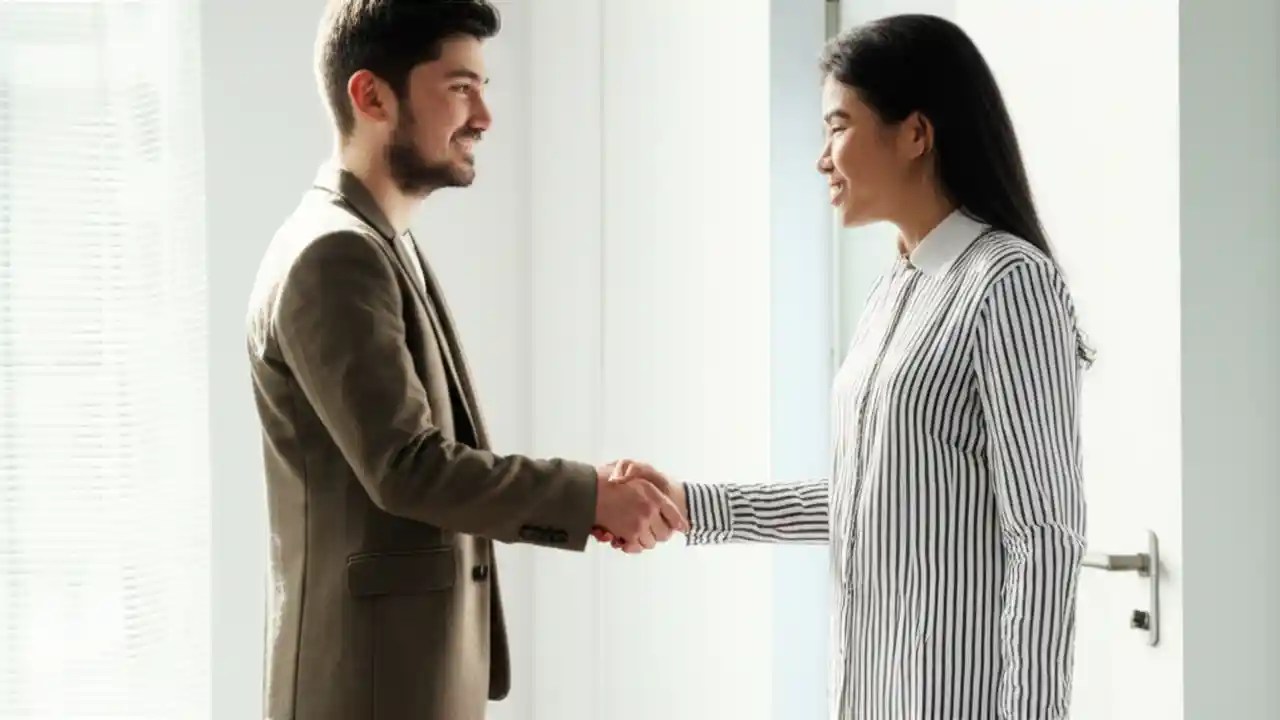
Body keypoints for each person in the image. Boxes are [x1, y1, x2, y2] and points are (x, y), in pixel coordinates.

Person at [600, 14, 1091, 720]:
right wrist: (688, 502)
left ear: (915, 133)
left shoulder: (1008, 280)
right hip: (868, 691)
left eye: (837, 126)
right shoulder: (893, 288)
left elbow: (1043, 533)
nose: (821, 158)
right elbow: (874, 497)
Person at [245, 2, 685, 718]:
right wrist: (589, 498)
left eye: (483, 88)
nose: (483, 117)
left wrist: (595, 493)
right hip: (367, 687)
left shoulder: (379, 243)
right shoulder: (335, 253)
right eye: (459, 87)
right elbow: (407, 467)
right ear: (371, 96)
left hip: (400, 677)